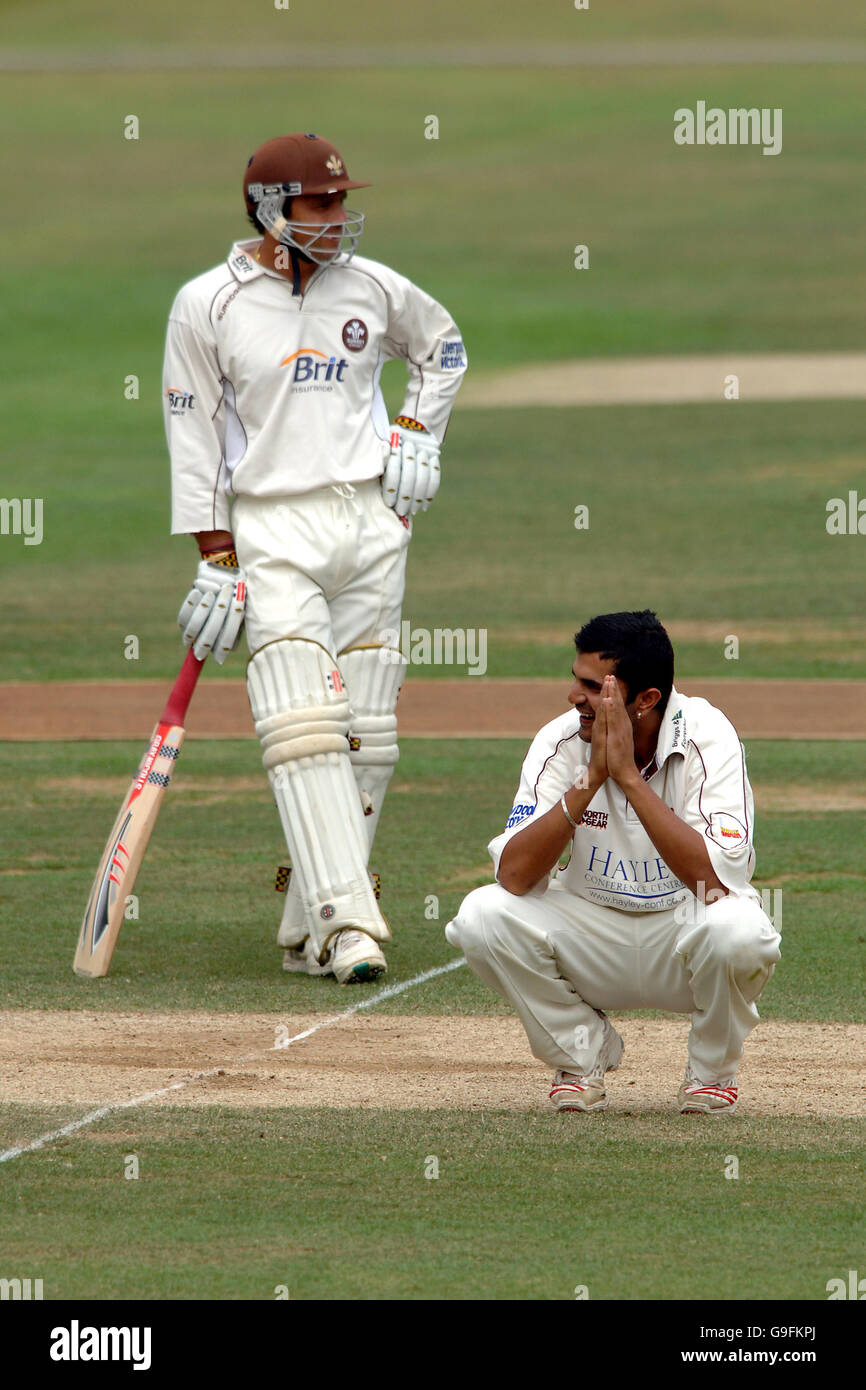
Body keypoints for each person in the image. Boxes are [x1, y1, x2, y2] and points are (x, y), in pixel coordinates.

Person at [163, 132, 467, 983]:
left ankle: (307, 926)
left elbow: (445, 349)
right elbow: (190, 433)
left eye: (341, 201)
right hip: (270, 527)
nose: (338, 217)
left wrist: (415, 428)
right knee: (301, 720)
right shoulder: (207, 304)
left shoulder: (371, 286)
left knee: (367, 726)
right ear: (270, 210)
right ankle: (348, 927)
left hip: (373, 521)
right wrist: (215, 552)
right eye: (320, 204)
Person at [445, 610, 781, 1113]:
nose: (574, 696)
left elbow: (714, 882)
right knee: (481, 916)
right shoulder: (561, 740)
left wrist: (626, 777)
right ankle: (582, 1052)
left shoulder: (708, 735)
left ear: (646, 700)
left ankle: (711, 1073)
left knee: (740, 930)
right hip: (591, 933)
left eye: (590, 685)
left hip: (684, 932)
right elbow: (513, 875)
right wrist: (592, 778)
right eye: (575, 678)